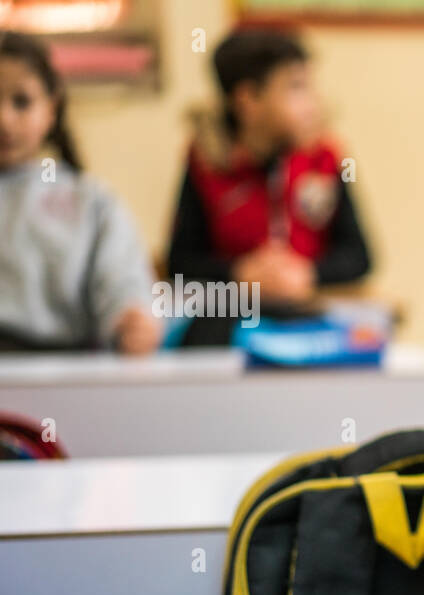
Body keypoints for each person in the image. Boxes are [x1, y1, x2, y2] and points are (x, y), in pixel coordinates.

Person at [165, 28, 371, 345]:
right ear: (249, 99)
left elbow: (360, 256)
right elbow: (180, 263)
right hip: (232, 320)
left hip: (310, 319)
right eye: (296, 88)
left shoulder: (325, 159)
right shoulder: (206, 162)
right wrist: (240, 273)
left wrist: (308, 273)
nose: (312, 103)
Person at [0, 31, 159, 353]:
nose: (4, 120)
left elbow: (122, 280)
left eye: (22, 102)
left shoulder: (91, 201)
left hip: (70, 374)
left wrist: (132, 318)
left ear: (51, 108)